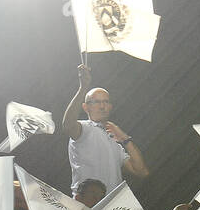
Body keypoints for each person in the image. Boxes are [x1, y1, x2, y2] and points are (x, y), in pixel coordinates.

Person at [61, 65, 149, 193]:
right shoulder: (84, 129)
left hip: (112, 207)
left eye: (106, 102)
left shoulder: (115, 141)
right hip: (88, 206)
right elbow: (67, 126)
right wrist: (83, 88)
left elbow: (142, 172)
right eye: (96, 102)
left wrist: (125, 139)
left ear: (111, 106)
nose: (102, 106)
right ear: (85, 107)